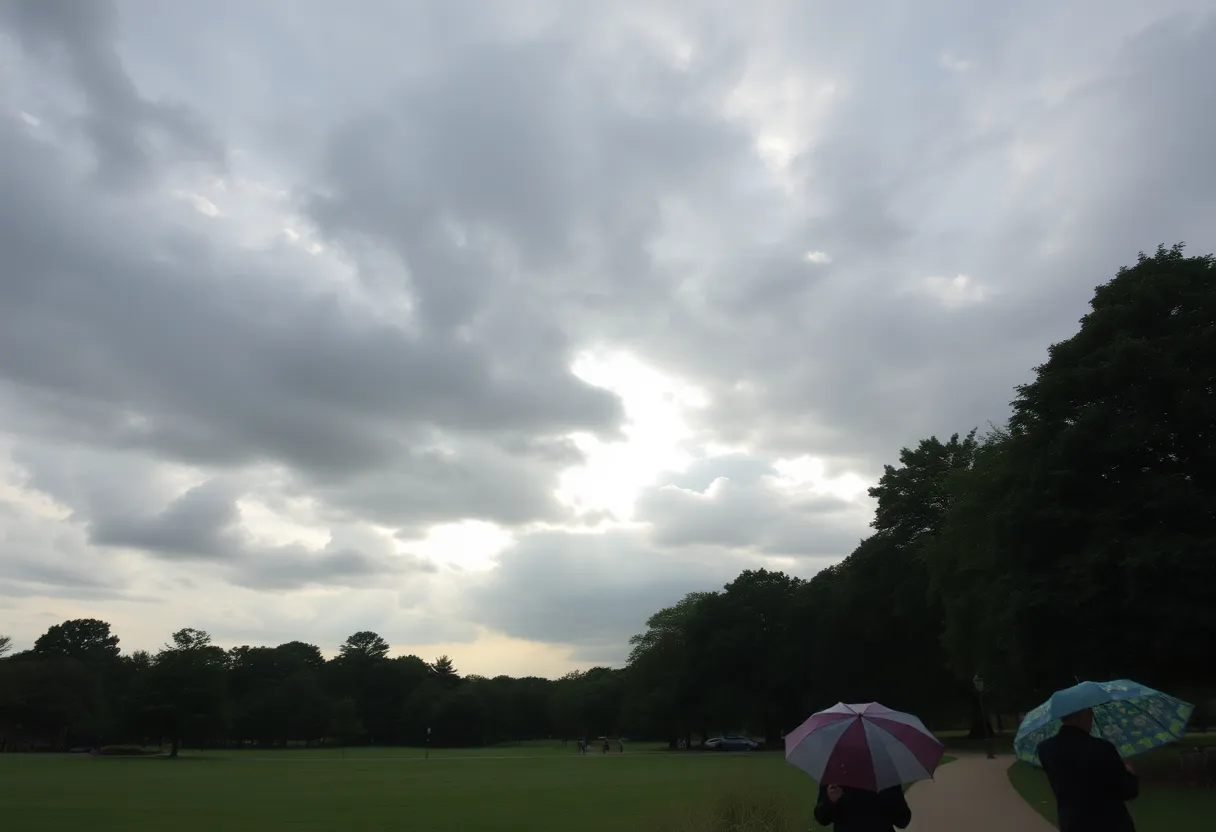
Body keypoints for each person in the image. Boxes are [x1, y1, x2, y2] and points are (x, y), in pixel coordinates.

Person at [1037, 708, 1139, 832]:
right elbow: (1127, 790)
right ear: (1084, 714)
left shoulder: (1045, 749)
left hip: (1072, 824)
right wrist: (1129, 772)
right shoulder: (1102, 748)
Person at [813, 783, 911, 832]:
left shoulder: (886, 776)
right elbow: (822, 818)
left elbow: (902, 819)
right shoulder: (833, 777)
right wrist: (830, 801)